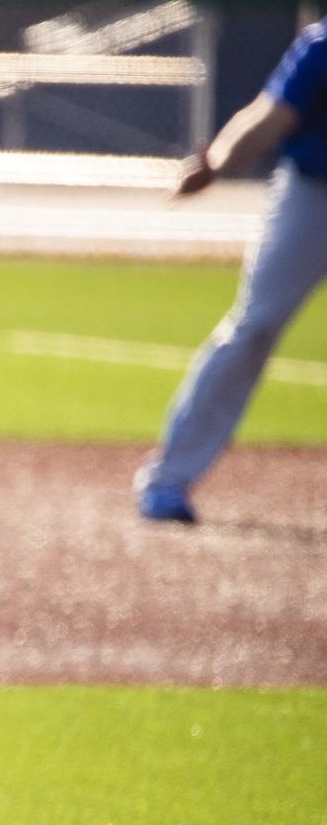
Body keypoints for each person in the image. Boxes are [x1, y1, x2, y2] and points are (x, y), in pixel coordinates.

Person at [135, 16, 327, 524]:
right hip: (314, 199)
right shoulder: (322, 46)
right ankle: (168, 480)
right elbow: (270, 115)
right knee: (255, 325)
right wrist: (217, 165)